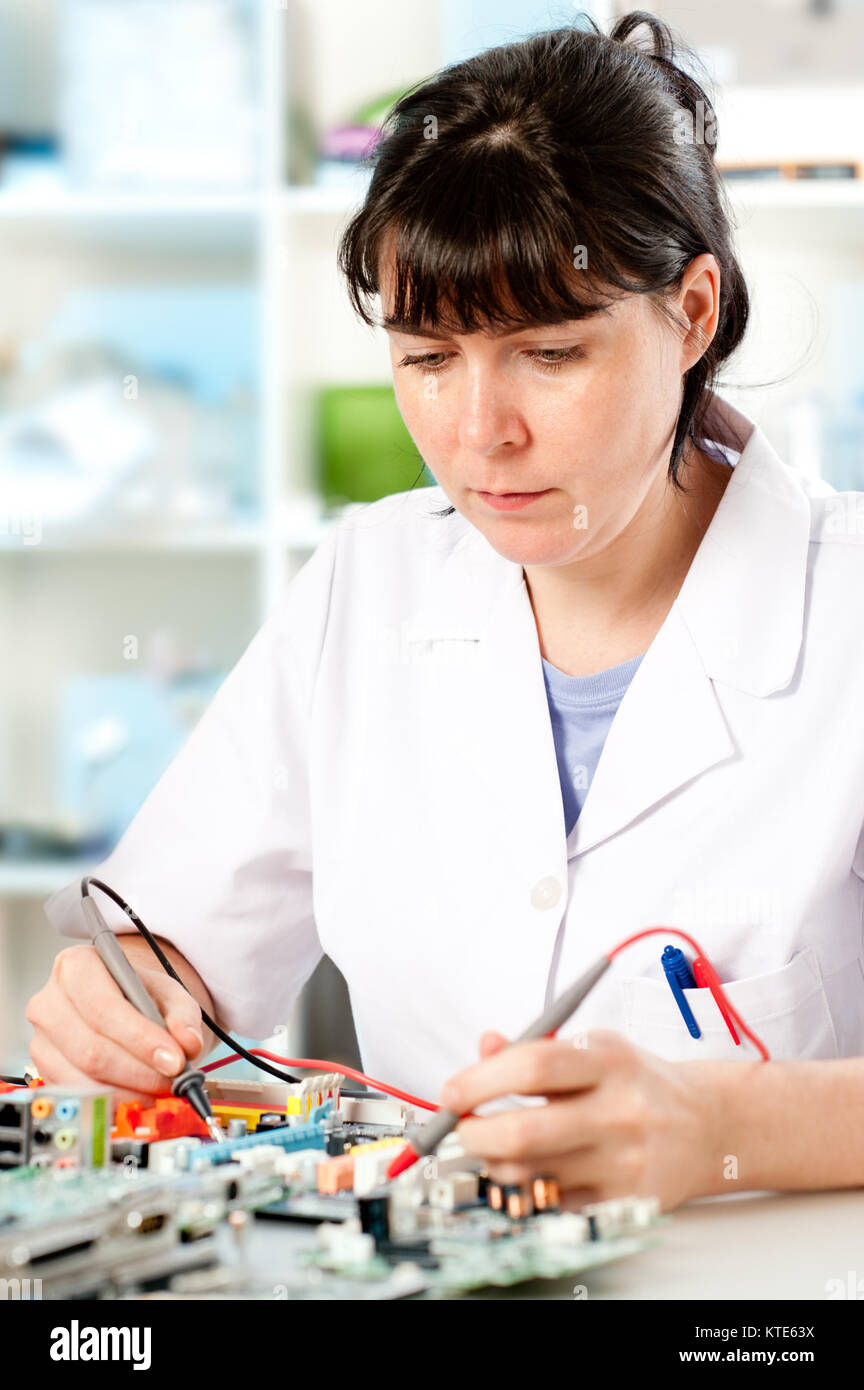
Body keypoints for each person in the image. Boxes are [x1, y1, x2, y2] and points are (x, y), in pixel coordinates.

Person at [32, 12, 864, 1212]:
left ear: (691, 313)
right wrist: (122, 1006)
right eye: (427, 359)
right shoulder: (365, 589)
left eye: (550, 353)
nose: (480, 436)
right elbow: (167, 960)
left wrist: (725, 1126)